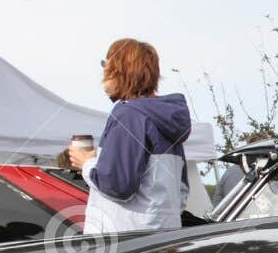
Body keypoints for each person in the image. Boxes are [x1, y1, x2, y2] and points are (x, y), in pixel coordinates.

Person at [68, 39, 191, 234]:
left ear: (119, 69)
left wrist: (87, 163)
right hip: (165, 238)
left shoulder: (128, 115)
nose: (103, 72)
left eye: (105, 64)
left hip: (123, 243)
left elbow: (117, 186)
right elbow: (182, 192)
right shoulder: (165, 119)